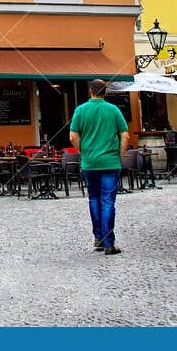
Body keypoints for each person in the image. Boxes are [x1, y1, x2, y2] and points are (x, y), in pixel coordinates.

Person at [69, 78, 132, 255]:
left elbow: (73, 136)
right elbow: (125, 136)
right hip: (110, 162)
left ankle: (98, 238)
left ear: (91, 91)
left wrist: (84, 151)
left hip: (90, 162)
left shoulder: (80, 110)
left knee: (94, 199)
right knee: (108, 201)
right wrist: (119, 156)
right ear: (106, 92)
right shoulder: (113, 110)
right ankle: (109, 242)